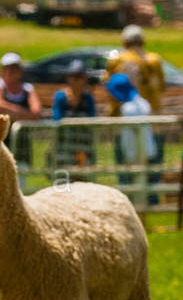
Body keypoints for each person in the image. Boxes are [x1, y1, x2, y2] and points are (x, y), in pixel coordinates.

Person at [106, 72, 161, 206]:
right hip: (148, 148)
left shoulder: (128, 109)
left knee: (133, 185)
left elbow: (130, 137)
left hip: (134, 152)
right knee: (144, 182)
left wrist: (130, 155)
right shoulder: (143, 103)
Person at [106, 24, 165, 115]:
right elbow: (161, 86)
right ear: (143, 41)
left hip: (122, 111)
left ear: (125, 42)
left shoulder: (117, 59)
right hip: (151, 111)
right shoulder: (154, 60)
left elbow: (109, 85)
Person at [52, 59, 96, 169]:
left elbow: (92, 119)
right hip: (64, 146)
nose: (76, 80)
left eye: (80, 77)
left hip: (84, 146)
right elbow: (57, 119)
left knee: (83, 178)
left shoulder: (88, 98)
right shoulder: (60, 97)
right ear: (68, 78)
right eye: (73, 76)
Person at [0, 52, 42, 120]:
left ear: (20, 71)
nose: (9, 71)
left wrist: (10, 111)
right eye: (6, 68)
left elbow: (36, 112)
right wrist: (25, 114)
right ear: (1, 70)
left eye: (14, 68)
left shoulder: (27, 88)